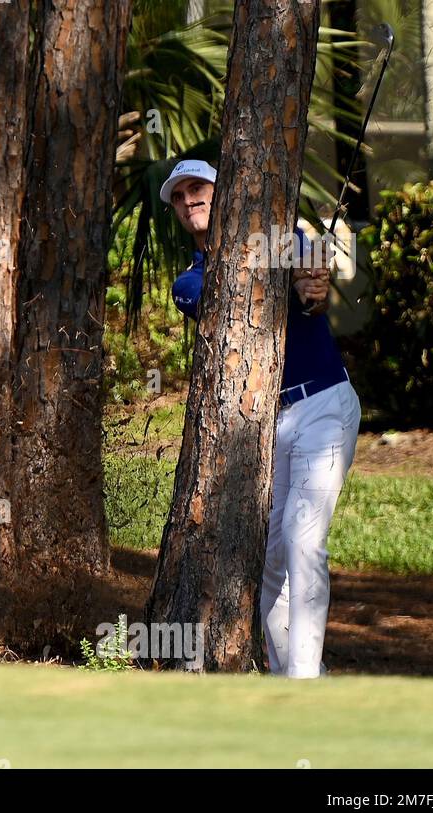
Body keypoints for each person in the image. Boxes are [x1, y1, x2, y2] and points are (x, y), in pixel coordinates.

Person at [160, 159, 361, 679]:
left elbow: (307, 266)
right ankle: (286, 677)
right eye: (178, 197)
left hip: (324, 404)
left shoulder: (275, 239)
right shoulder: (189, 282)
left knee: (303, 539)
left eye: (197, 188)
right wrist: (292, 277)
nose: (188, 201)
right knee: (271, 561)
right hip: (270, 424)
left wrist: (312, 286)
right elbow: (233, 298)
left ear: (221, 191)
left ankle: (304, 683)